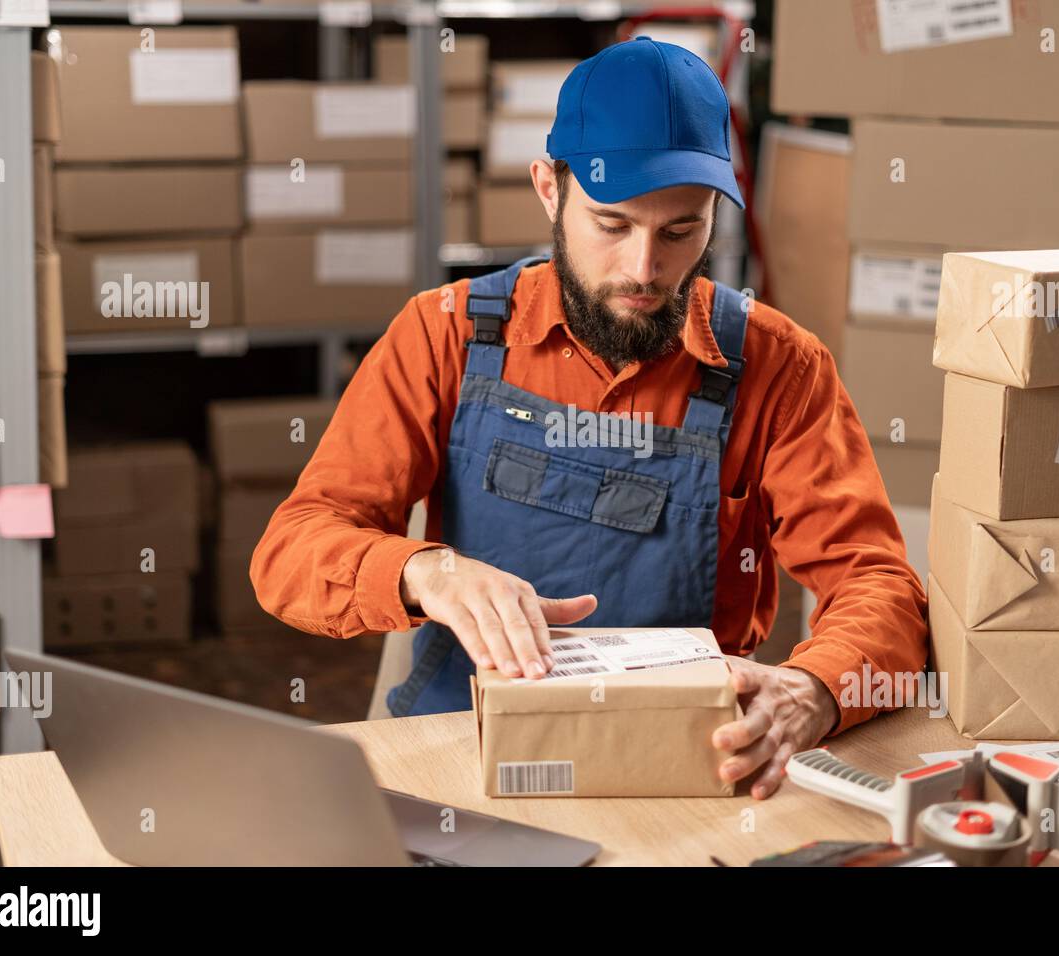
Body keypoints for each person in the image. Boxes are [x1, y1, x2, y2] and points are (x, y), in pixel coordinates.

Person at [251, 38, 928, 800]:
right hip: (461, 750)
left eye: (681, 230)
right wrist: (423, 570)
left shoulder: (779, 366)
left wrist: (814, 691)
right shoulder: (444, 334)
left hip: (686, 761)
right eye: (612, 224)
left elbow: (880, 587)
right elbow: (289, 554)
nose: (644, 270)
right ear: (549, 188)